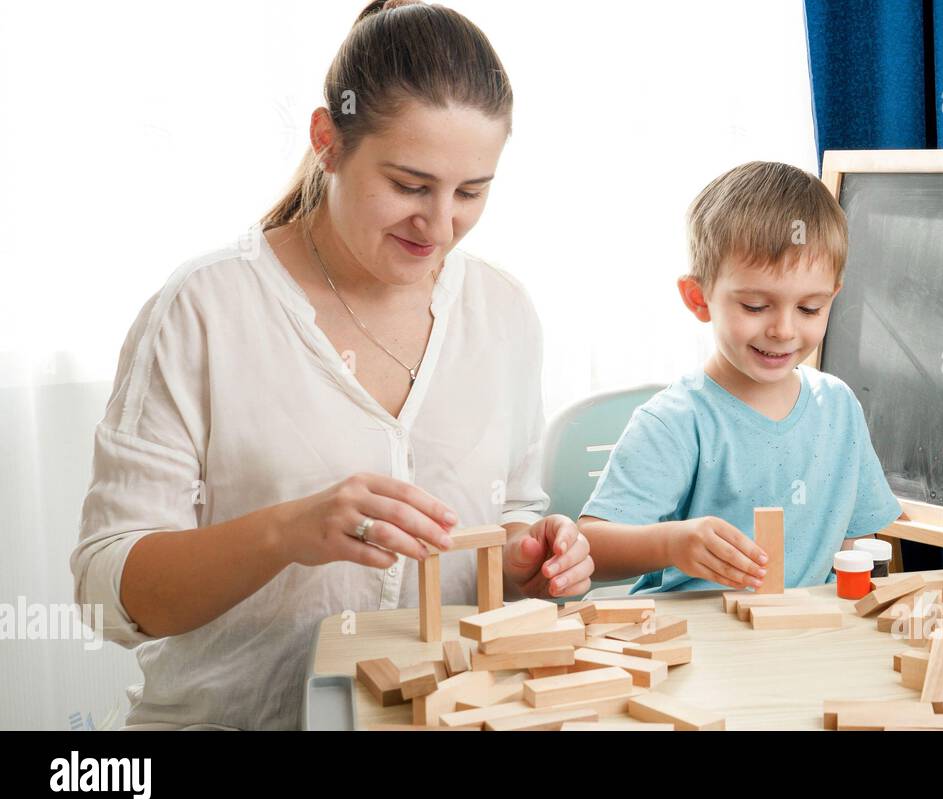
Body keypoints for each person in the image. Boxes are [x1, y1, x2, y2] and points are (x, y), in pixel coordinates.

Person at [71, 0, 593, 730]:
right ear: (327, 140)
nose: (441, 226)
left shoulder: (503, 313)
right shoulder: (204, 309)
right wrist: (285, 531)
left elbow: (509, 516)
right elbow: (106, 593)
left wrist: (522, 559)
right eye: (411, 185)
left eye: (471, 192)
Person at [578, 161, 901, 594]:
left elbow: (862, 544)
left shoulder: (839, 407)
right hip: (701, 645)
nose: (784, 330)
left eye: (809, 308)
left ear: (833, 298)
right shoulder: (676, 420)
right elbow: (589, 549)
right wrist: (670, 544)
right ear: (699, 298)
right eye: (754, 306)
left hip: (805, 644)